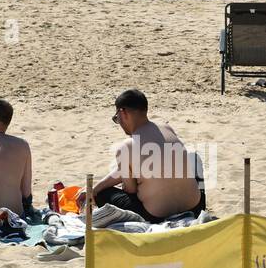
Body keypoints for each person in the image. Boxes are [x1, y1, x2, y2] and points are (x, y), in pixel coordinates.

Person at [82, 89, 204, 223]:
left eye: (117, 118)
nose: (119, 123)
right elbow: (131, 168)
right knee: (193, 158)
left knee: (103, 194)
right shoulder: (166, 128)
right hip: (195, 207)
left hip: (156, 216)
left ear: (123, 113)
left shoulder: (126, 147)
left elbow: (131, 190)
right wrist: (96, 187)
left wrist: (97, 191)